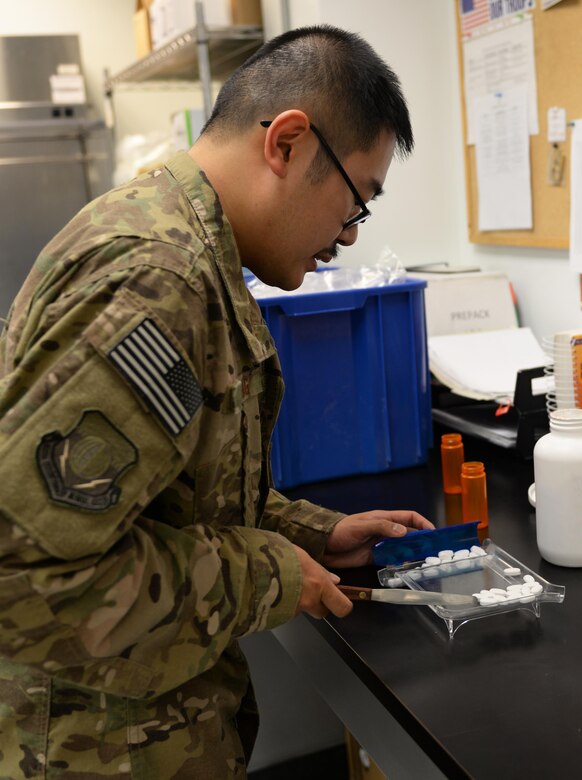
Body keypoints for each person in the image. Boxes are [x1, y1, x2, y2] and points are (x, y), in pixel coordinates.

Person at [0, 24, 433, 779]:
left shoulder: (181, 246)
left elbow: (157, 502)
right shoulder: (159, 281)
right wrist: (269, 573)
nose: (349, 237)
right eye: (356, 200)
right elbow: (28, 574)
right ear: (288, 143)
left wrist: (312, 532)